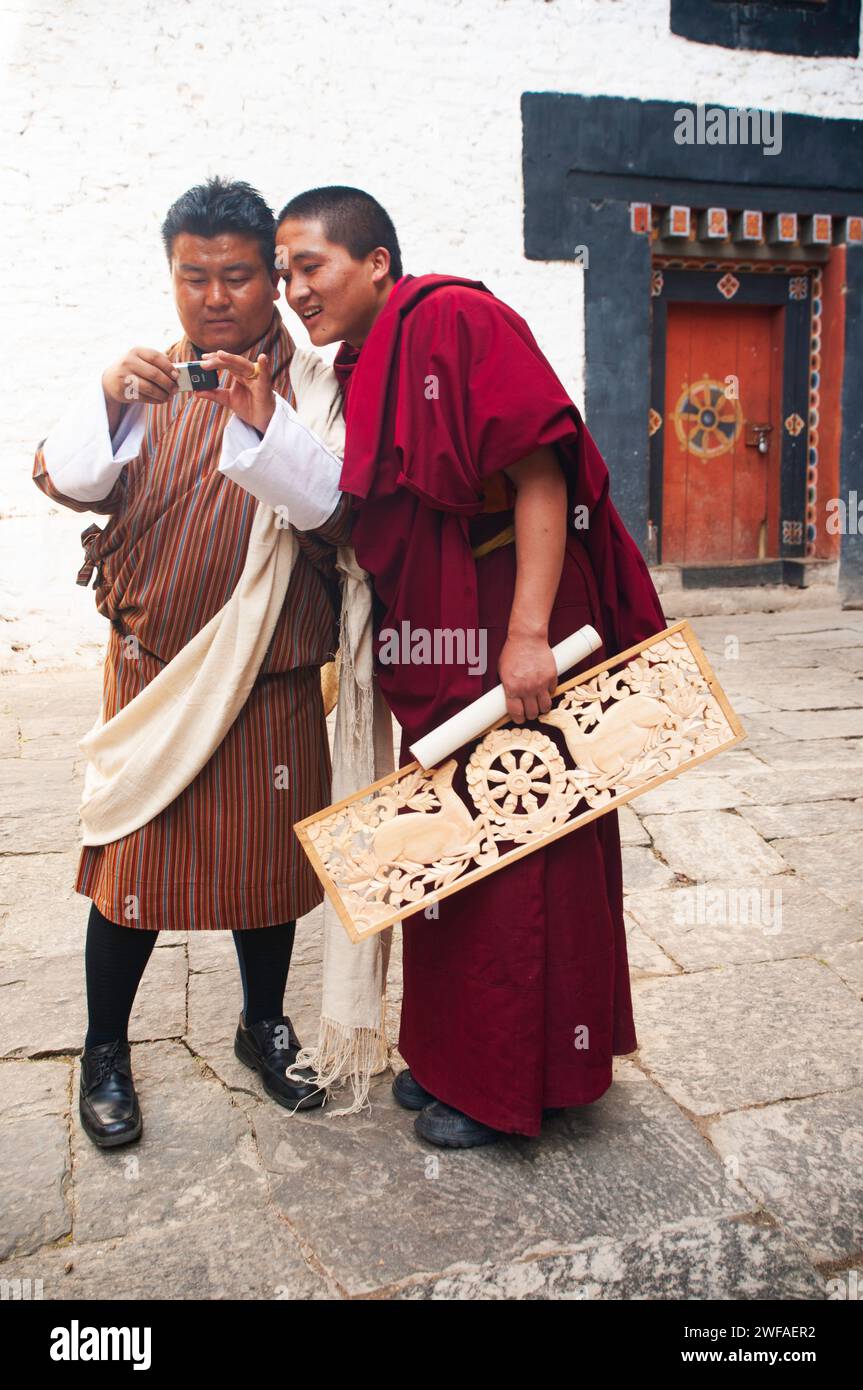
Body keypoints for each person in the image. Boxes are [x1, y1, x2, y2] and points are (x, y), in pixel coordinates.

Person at [210, 185, 666, 1149]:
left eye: (310, 266)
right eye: (284, 271)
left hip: (511, 618)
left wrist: (530, 634)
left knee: (520, 852)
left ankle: (513, 1089)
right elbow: (361, 517)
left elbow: (544, 471)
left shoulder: (454, 317)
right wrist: (262, 426)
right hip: (442, 637)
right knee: (452, 851)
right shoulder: (365, 364)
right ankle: (456, 1059)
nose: (293, 289)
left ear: (377, 263)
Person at [32, 177, 353, 1148]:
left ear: (272, 280)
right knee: (128, 875)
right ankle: (104, 1050)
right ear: (171, 277)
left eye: (236, 276)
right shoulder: (145, 380)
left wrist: (264, 420)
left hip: (271, 673)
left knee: (266, 874)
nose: (214, 297)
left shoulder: (320, 387)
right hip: (155, 677)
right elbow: (68, 479)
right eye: (192, 276)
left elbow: (333, 511)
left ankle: (262, 1025)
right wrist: (104, 395)